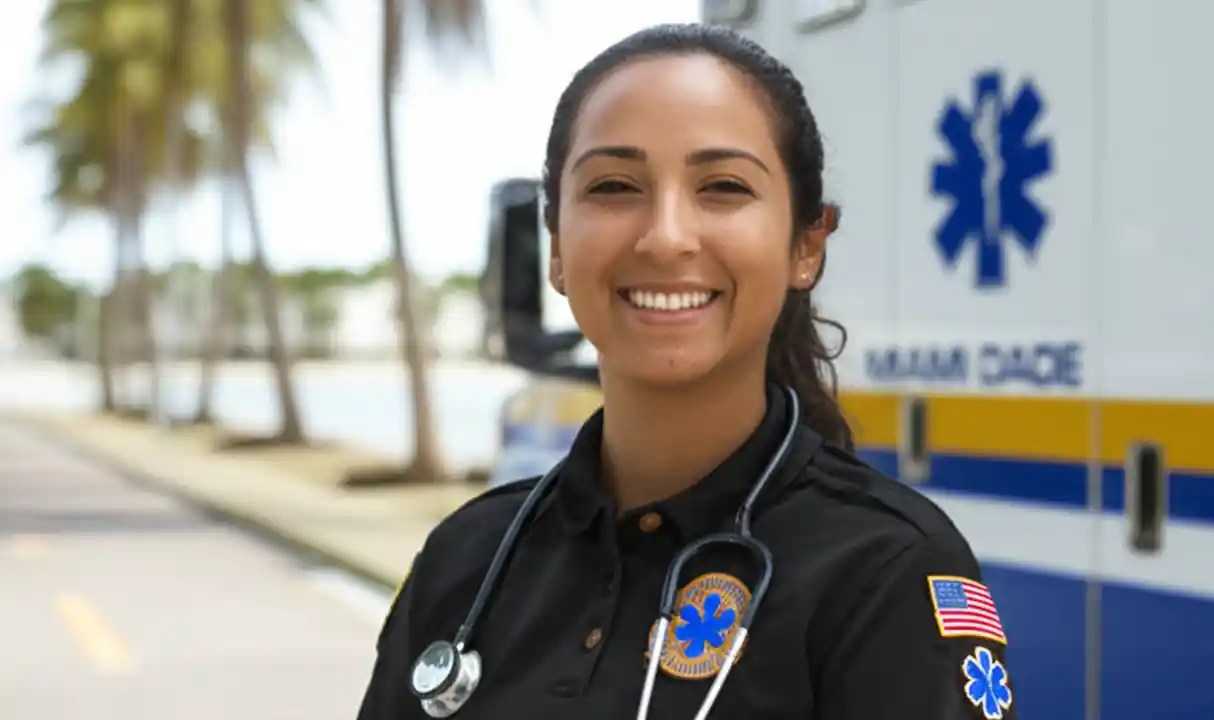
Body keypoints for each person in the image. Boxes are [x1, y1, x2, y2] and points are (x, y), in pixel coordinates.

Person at [357, 22, 1016, 720]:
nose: (666, 235)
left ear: (806, 245)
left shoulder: (885, 569)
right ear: (555, 246)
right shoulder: (469, 557)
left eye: (723, 187)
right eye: (614, 186)